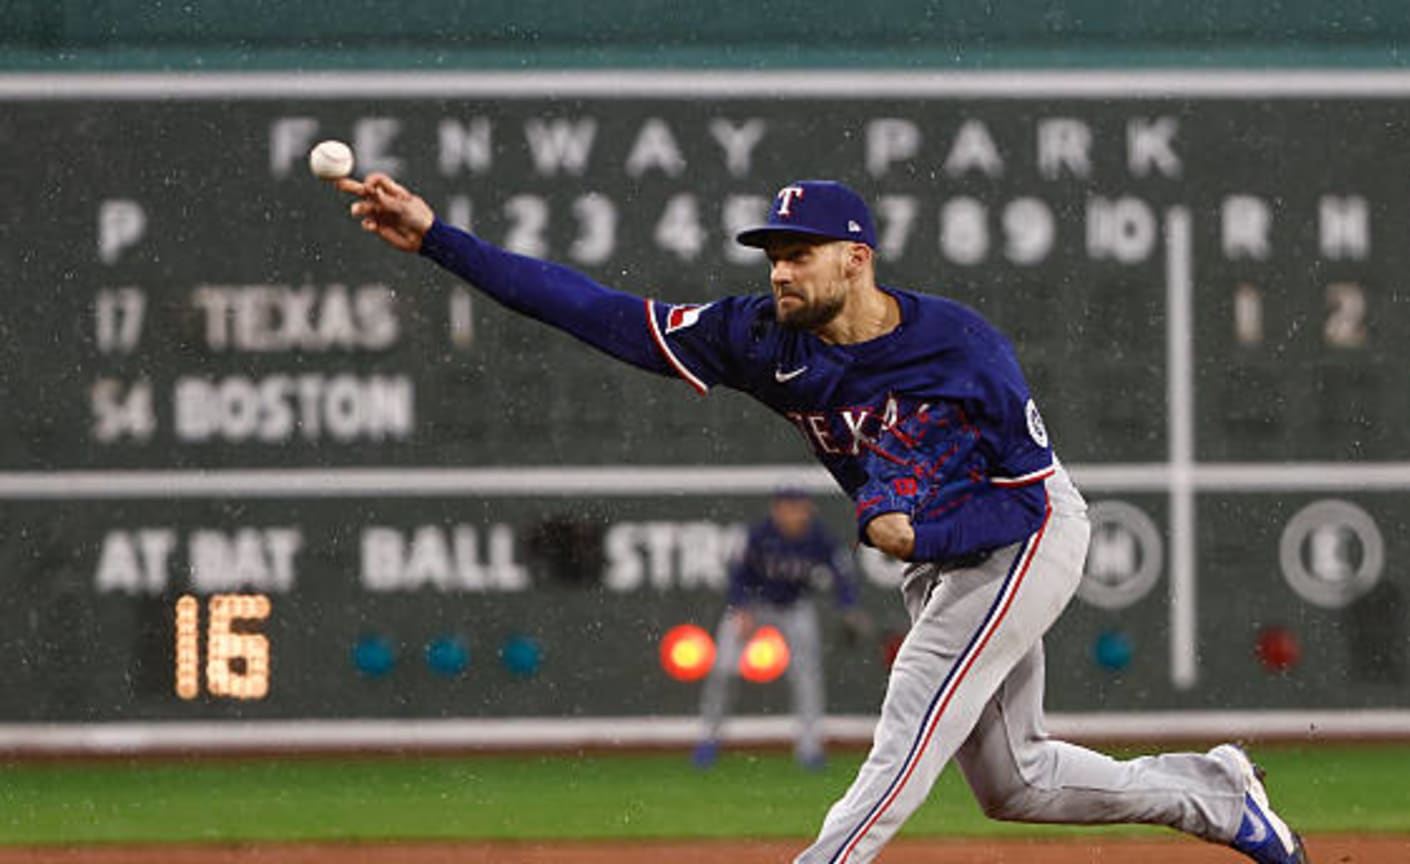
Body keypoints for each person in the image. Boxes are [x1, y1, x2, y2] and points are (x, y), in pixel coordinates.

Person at [335, 174, 1310, 864]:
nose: (780, 273)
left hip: (1025, 535)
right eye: (772, 255)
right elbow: (593, 310)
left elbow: (1021, 492)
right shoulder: (759, 339)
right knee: (1014, 783)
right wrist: (439, 241)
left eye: (799, 255)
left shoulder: (961, 347)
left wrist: (922, 539)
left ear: (857, 257)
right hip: (942, 561)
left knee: (909, 725)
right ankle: (1214, 794)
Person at [694, 485, 868, 772]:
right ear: (776, 509)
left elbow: (843, 573)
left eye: (799, 507)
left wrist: (848, 607)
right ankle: (708, 739)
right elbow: (737, 574)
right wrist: (741, 608)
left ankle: (810, 748)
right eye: (788, 507)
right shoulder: (759, 535)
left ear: (808, 510)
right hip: (754, 604)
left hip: (794, 607)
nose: (794, 514)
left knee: (807, 676)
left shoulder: (819, 538)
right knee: (723, 670)